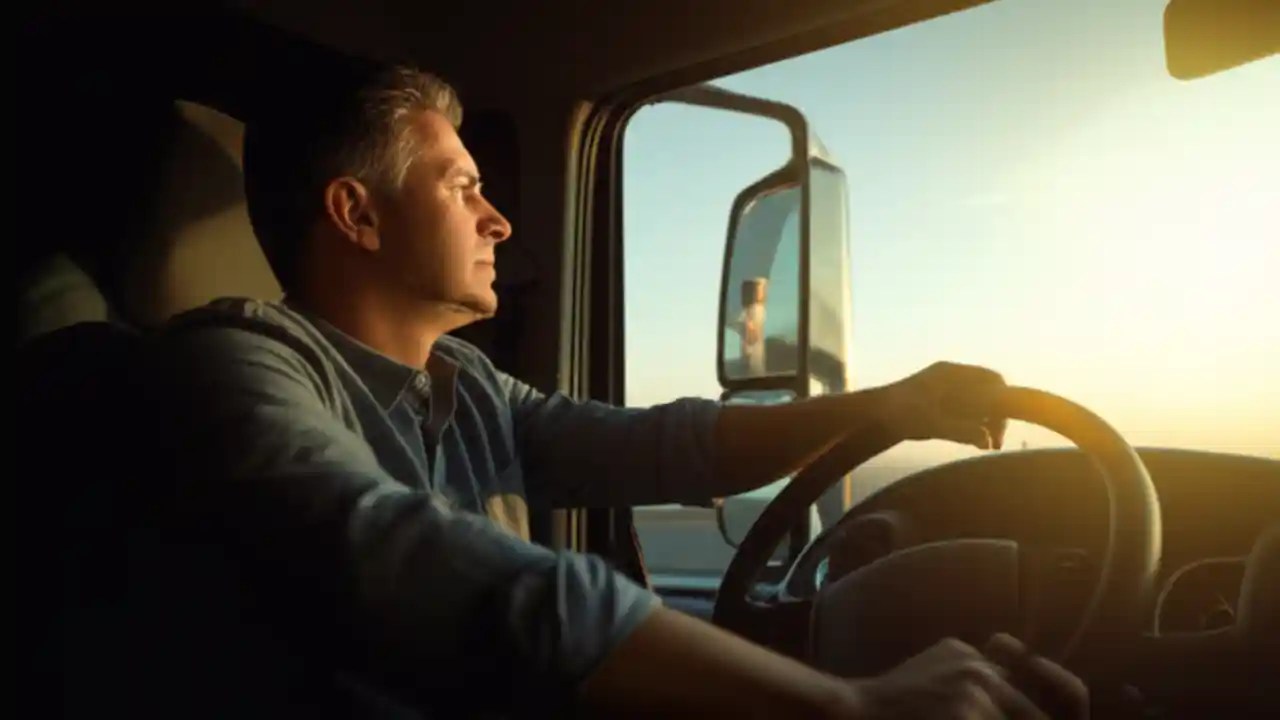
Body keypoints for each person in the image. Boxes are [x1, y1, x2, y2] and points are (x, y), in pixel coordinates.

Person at [150, 64, 1087, 718]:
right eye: (463, 187)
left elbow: (672, 448)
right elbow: (398, 556)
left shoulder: (467, 384)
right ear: (356, 214)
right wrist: (843, 705)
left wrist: (888, 406)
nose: (500, 219)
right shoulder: (230, 363)